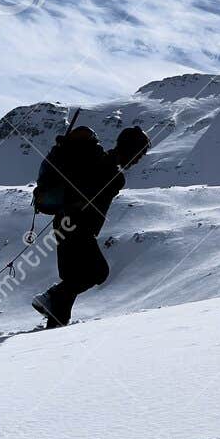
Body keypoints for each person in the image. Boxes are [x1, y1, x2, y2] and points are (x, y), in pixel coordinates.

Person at [32, 125, 149, 328]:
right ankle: (51, 296)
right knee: (98, 272)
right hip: (77, 227)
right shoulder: (109, 168)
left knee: (72, 281)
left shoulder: (102, 162)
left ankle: (53, 328)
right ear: (129, 148)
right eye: (139, 152)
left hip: (64, 223)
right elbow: (87, 194)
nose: (139, 158)